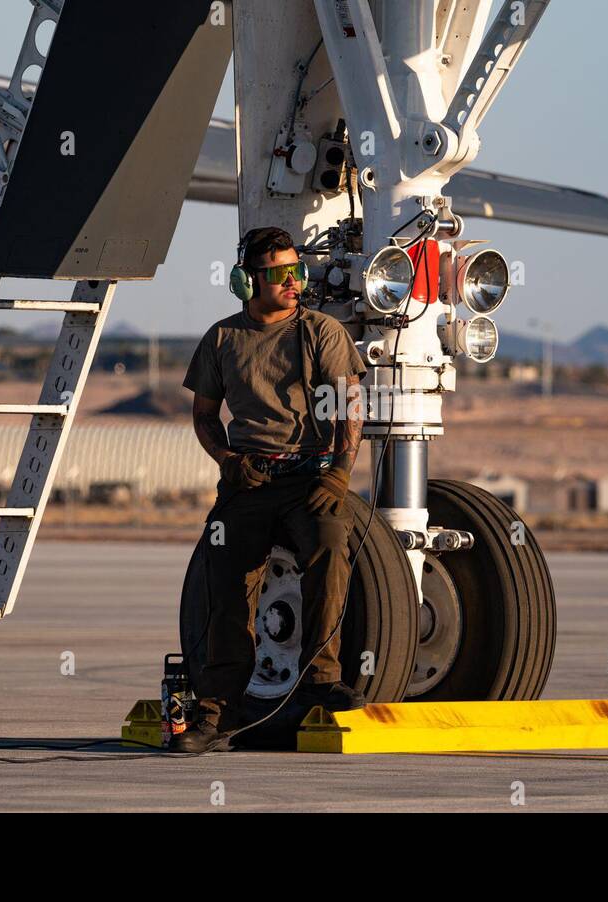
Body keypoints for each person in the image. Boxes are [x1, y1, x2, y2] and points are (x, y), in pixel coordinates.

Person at [175, 226, 367, 752]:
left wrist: (339, 473)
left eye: (297, 270)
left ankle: (321, 681)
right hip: (248, 479)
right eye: (280, 273)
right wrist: (228, 460)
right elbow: (204, 415)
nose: (293, 281)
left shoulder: (322, 331)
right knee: (226, 585)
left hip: (311, 476)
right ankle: (218, 712)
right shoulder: (221, 339)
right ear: (247, 280)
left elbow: (350, 404)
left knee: (330, 544)